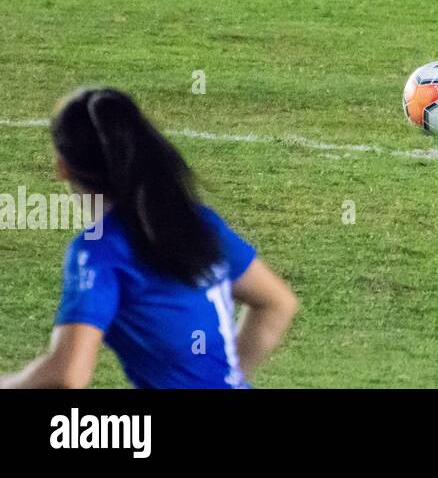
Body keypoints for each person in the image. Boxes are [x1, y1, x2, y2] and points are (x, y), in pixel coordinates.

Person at [0, 88, 297, 388]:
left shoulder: (99, 252)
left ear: (61, 167)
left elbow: (66, 375)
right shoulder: (196, 220)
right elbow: (277, 303)